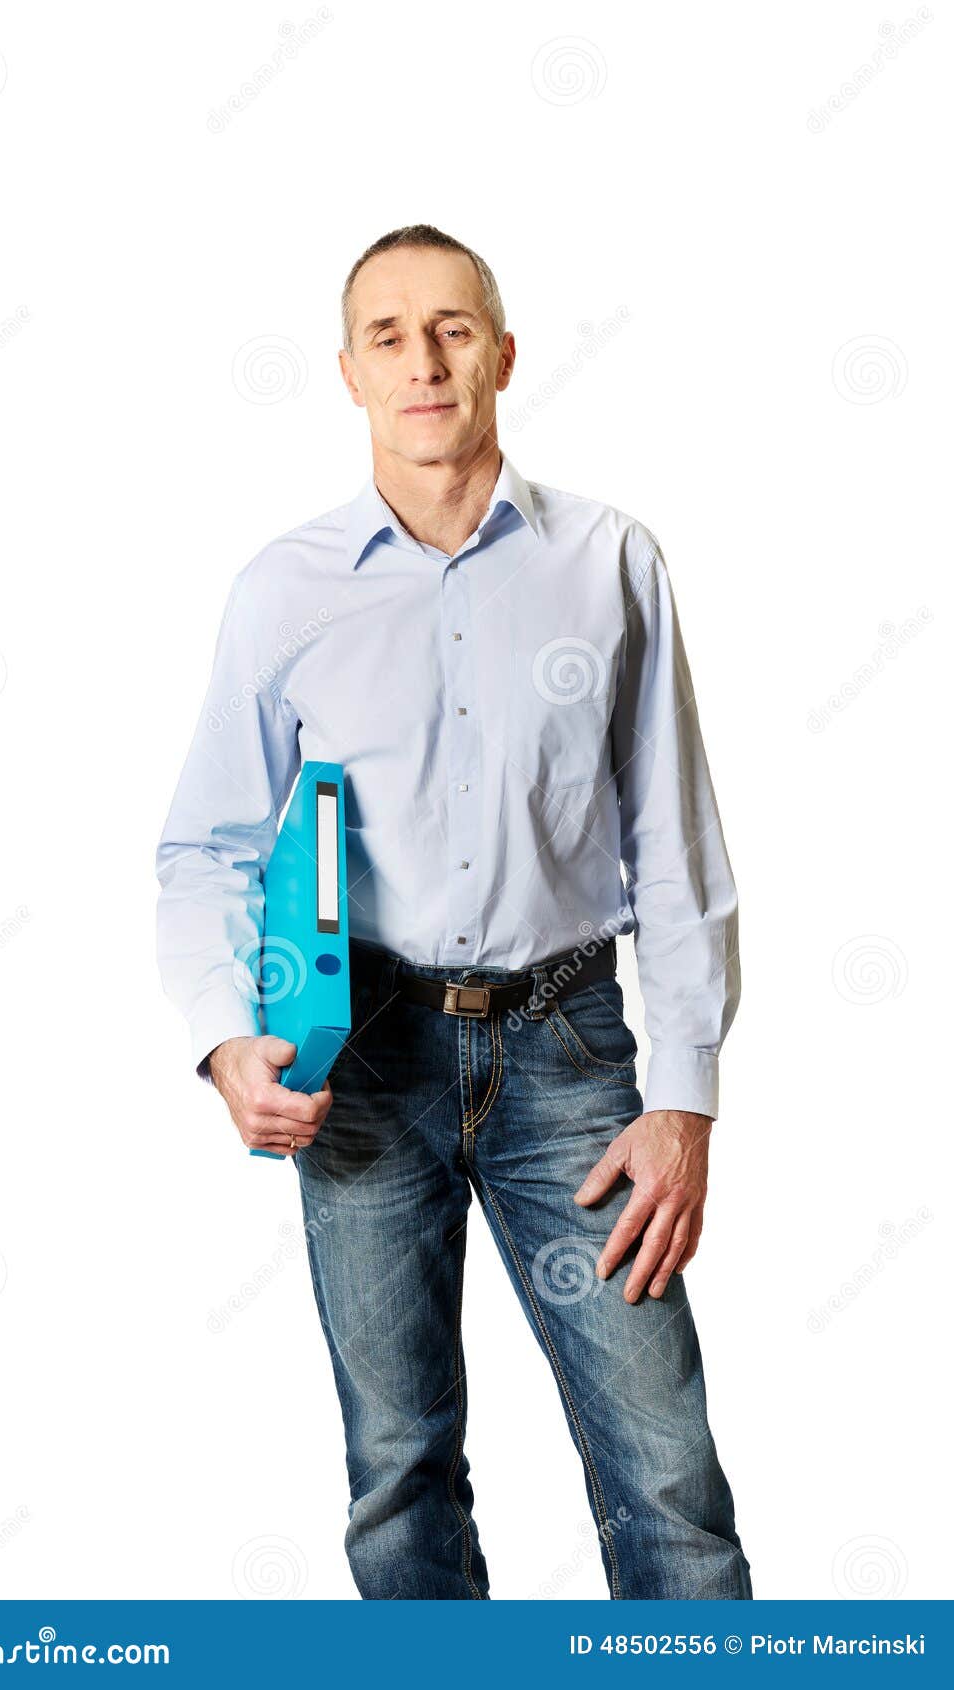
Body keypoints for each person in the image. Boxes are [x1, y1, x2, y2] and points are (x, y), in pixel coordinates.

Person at [155, 224, 751, 1600]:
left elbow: (678, 844)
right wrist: (221, 1037)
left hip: (572, 1055)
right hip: (359, 1060)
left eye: (452, 328)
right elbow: (206, 843)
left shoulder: (609, 562)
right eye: (387, 335)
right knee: (400, 1472)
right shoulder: (285, 587)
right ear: (350, 374)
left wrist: (688, 1097)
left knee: (667, 1471)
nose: (424, 360)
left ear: (503, 354)